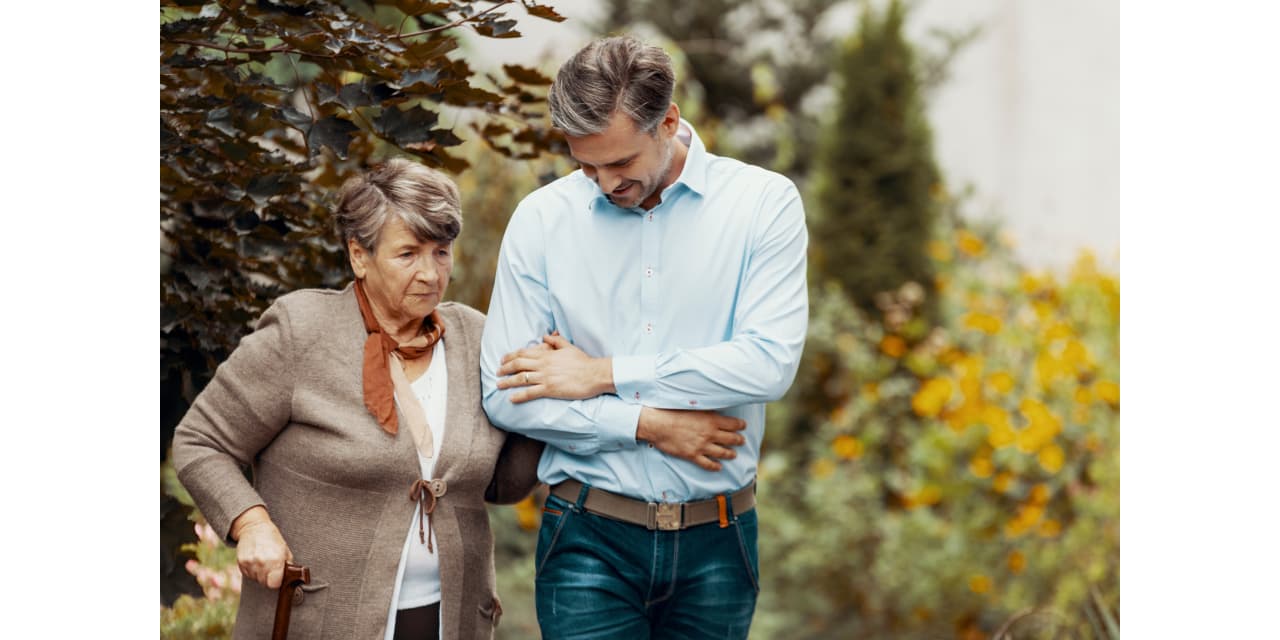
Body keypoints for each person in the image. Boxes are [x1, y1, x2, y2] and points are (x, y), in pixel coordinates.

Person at [479, 35, 809, 639]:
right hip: (587, 535)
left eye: (621, 163)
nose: (604, 183)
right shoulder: (543, 220)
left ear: (669, 122)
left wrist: (602, 374)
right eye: (586, 165)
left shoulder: (763, 204)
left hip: (720, 544)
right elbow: (506, 392)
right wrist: (646, 424)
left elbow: (767, 364)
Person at [172, 159, 544, 640]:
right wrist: (251, 522)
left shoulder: (476, 337)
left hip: (448, 621)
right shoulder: (301, 331)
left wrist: (542, 406)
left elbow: (499, 485)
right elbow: (201, 441)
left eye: (441, 252)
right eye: (408, 254)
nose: (431, 273)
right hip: (320, 621)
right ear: (359, 256)